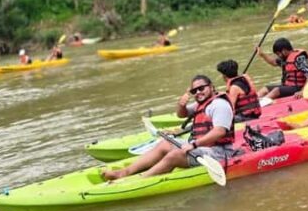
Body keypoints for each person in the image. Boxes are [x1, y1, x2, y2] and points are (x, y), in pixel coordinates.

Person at [101, 75, 238, 180]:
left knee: (175, 155)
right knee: (165, 143)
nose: (198, 92)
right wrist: (181, 104)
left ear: (212, 87)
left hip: (220, 152)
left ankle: (142, 179)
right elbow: (181, 114)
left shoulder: (219, 105)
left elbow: (219, 132)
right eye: (194, 90)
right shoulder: (201, 104)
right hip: (201, 147)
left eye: (201, 88)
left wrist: (193, 145)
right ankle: (125, 172)